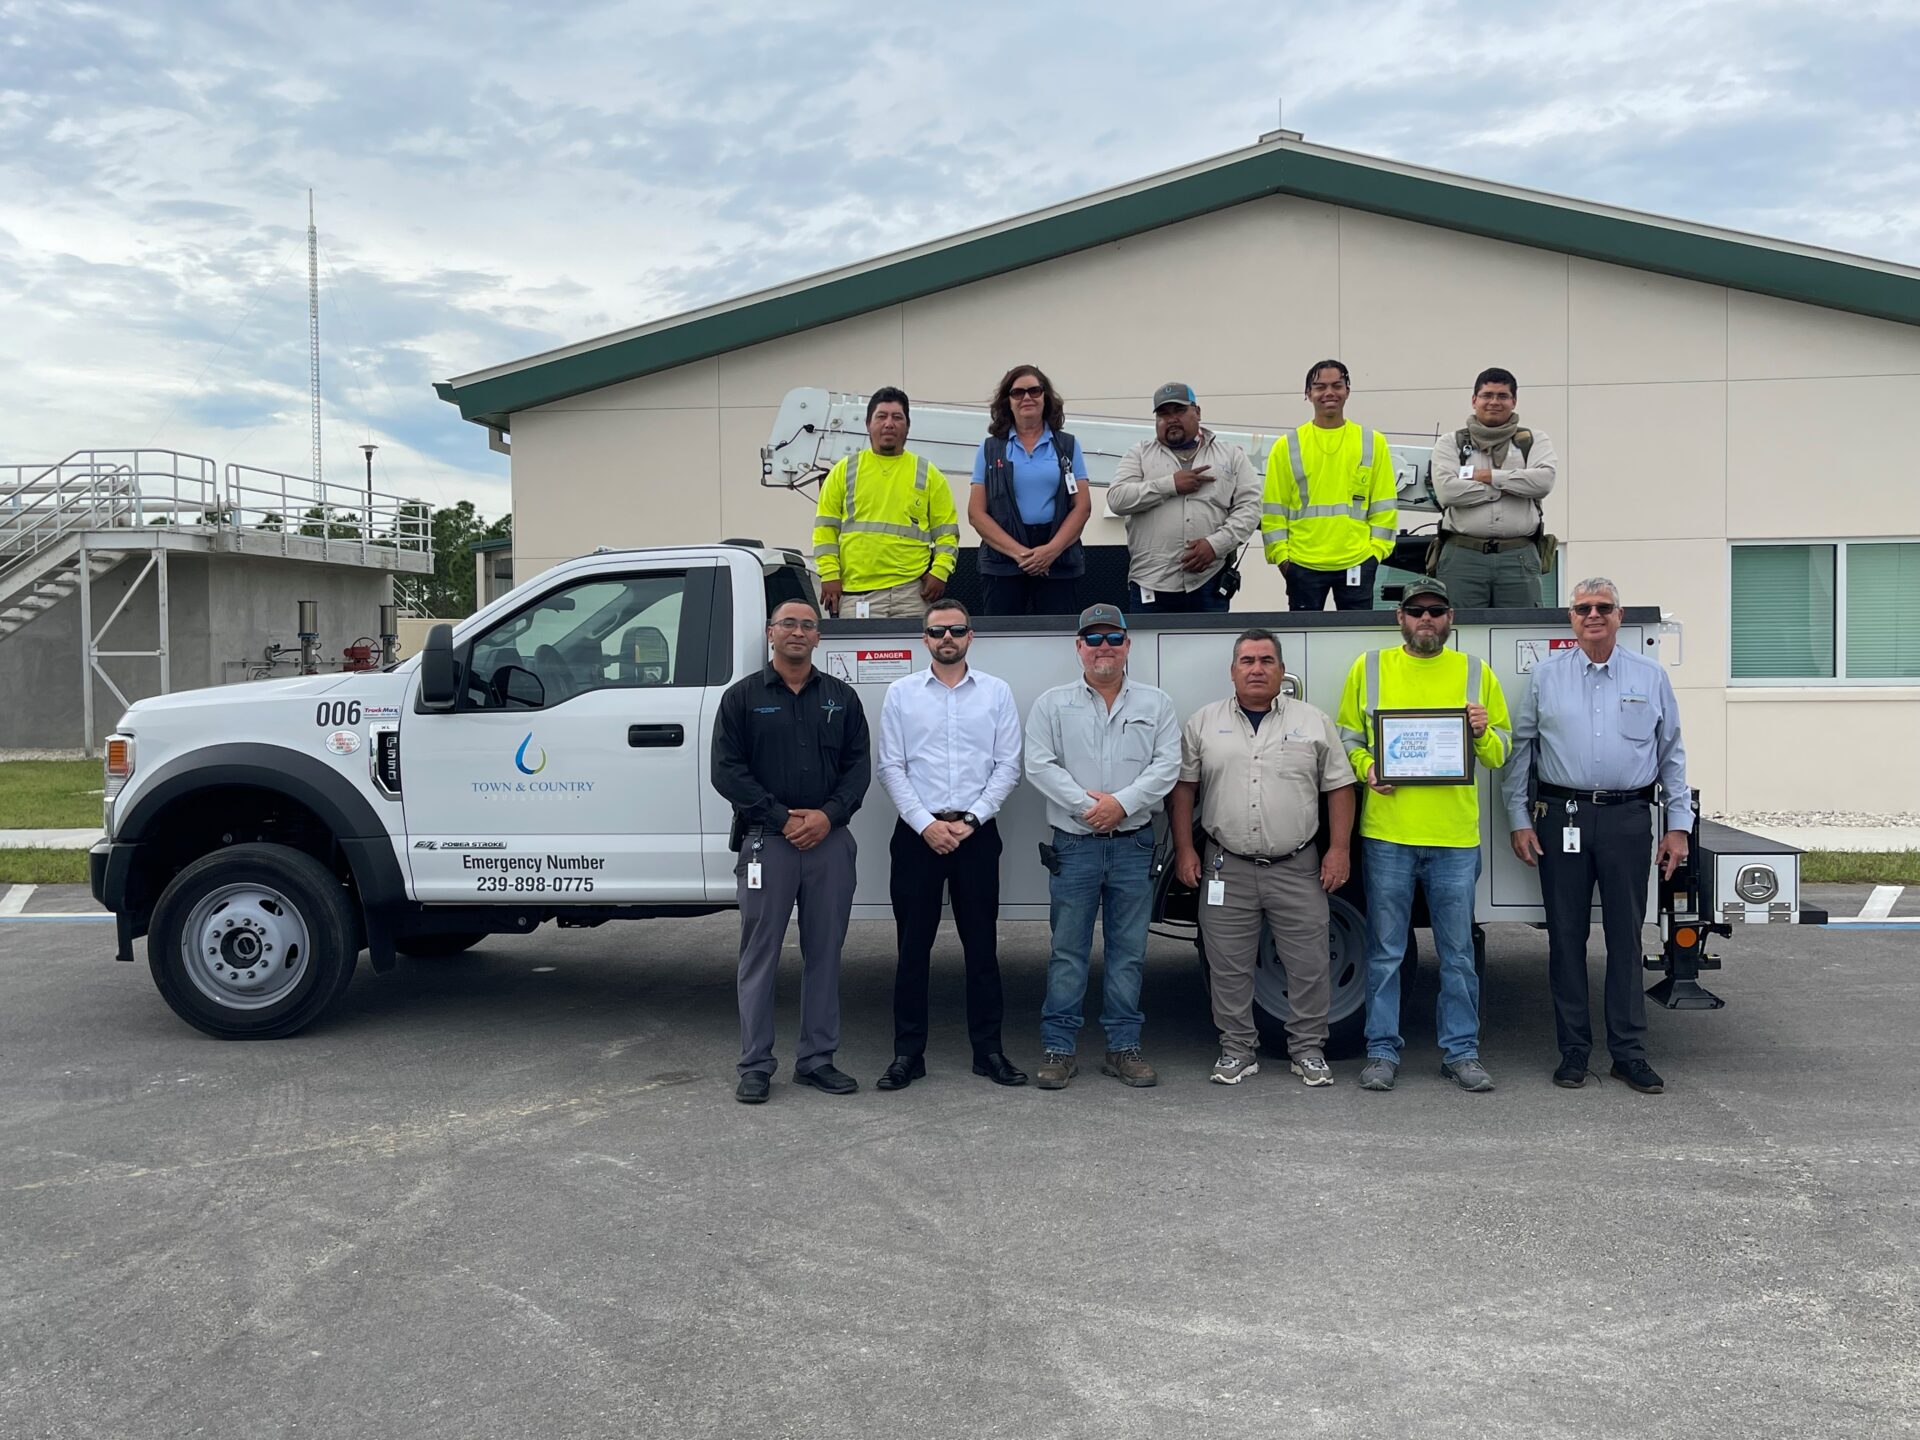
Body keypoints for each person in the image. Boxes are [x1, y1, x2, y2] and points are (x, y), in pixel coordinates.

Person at [1503, 578, 1691, 1095]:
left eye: (1603, 607)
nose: (1593, 615)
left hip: (1628, 817)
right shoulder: (1546, 677)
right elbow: (1521, 752)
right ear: (1571, 617)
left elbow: (1672, 752)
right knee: (1566, 938)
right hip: (1561, 816)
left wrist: (1677, 825)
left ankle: (1629, 1054)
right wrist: (1518, 817)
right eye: (1583, 608)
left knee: (1625, 938)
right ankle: (1574, 1052)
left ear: (1619, 616)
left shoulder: (1650, 675)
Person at [1335, 577, 1511, 1093]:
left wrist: (1482, 731)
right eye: (1416, 611)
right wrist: (1369, 768)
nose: (1426, 619)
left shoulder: (1475, 672)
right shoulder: (1370, 668)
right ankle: (1381, 1052)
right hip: (1388, 835)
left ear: (1450, 617)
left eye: (1436, 610)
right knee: (1385, 952)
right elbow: (1347, 739)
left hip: (1454, 839)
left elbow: (1501, 752)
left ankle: (1461, 1053)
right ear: (1401, 618)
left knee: (1457, 954)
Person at [1168, 629, 1356, 1086]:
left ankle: (1308, 1050)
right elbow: (1184, 789)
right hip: (1225, 866)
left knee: (1309, 965)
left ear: (1282, 671)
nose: (1257, 669)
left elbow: (1340, 787)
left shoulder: (1312, 721)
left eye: (1266, 661)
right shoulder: (1203, 722)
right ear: (1232, 671)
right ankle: (1237, 1049)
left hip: (1297, 866)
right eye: (1247, 661)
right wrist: (1185, 849)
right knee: (1228, 966)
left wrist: (1339, 850)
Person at [710, 598, 871, 1103]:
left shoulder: (842, 698)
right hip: (767, 843)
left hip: (829, 843)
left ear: (818, 637)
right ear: (770, 633)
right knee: (760, 955)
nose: (798, 632)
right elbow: (727, 771)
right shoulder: (741, 698)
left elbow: (858, 769)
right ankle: (755, 1065)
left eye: (807, 625)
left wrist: (827, 816)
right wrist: (781, 817)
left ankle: (817, 1060)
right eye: (788, 624)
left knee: (825, 953)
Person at [1023, 603, 1181, 1089]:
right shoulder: (1052, 704)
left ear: (1128, 644)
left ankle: (1122, 1048)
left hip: (1134, 845)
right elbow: (1039, 764)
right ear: (1079, 647)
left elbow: (1167, 766)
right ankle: (1059, 1049)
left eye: (1113, 638)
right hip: (1074, 846)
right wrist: (1090, 808)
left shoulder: (1156, 703)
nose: (1103, 647)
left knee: (1128, 952)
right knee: (1067, 952)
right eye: (1093, 639)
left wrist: (1121, 805)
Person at [874, 599, 1028, 1090]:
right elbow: (890, 767)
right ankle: (907, 1054)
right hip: (917, 836)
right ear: (924, 639)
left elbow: (1008, 765)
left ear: (970, 636)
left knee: (981, 949)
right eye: (938, 631)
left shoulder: (997, 692)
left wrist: (973, 820)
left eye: (956, 630)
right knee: (911, 950)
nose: (947, 638)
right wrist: (925, 824)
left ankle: (989, 1052)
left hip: (976, 836)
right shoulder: (901, 694)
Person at [1107, 382, 1262, 614]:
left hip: (1209, 580)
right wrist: (1170, 485)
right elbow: (1117, 499)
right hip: (1150, 582)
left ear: (1197, 412)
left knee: (1210, 639)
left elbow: (1250, 508)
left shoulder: (1230, 455)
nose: (1171, 419)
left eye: (1179, 410)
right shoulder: (1138, 454)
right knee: (1150, 640)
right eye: (1163, 414)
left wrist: (1215, 545)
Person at [1261, 359, 1397, 611]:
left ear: (1347, 391)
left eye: (1337, 385)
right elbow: (1273, 510)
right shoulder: (1286, 446)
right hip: (1302, 563)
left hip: (1358, 561)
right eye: (1320, 387)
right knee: (1305, 635)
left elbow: (1385, 505)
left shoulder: (1373, 442)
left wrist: (1375, 553)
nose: (1329, 393)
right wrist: (1283, 559)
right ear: (1308, 393)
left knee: (1356, 633)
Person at [812, 387, 959, 618]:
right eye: (881, 416)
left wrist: (940, 572)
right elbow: (825, 530)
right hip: (858, 593)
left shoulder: (929, 474)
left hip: (912, 593)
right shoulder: (844, 470)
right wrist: (829, 574)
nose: (889, 424)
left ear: (907, 426)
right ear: (868, 424)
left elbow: (947, 533)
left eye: (897, 417)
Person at [1428, 367, 1560, 607]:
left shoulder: (1534, 440)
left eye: (1502, 396)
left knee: (1521, 627)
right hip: (1462, 555)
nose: (1494, 402)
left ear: (1514, 401)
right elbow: (1447, 492)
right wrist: (1510, 487)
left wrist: (1487, 476)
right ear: (1474, 400)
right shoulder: (1451, 442)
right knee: (1460, 626)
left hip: (1519, 555)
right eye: (1487, 395)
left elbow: (1543, 482)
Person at [969, 364, 1094, 615]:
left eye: (1034, 391)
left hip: (1058, 560)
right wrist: (1021, 555)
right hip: (1003, 562)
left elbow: (1082, 507)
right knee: (1003, 636)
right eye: (1018, 392)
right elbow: (976, 513)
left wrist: (1051, 551)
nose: (1027, 397)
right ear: (1007, 401)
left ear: (1045, 397)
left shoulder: (1068, 445)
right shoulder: (989, 449)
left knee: (1057, 635)